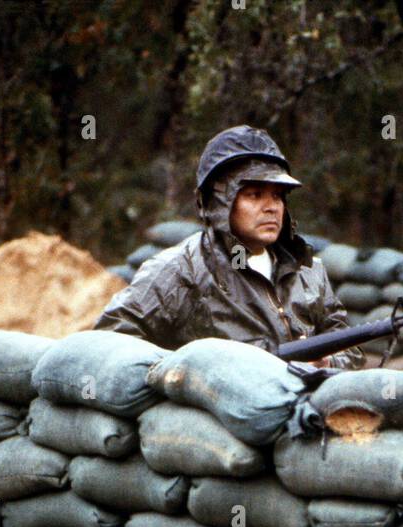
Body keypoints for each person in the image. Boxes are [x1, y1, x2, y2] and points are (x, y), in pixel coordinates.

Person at [95, 124, 361, 368]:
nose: (271, 207)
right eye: (254, 195)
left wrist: (327, 363)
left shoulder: (308, 270)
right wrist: (189, 376)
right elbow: (113, 338)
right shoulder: (183, 270)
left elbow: (350, 347)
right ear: (219, 202)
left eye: (278, 196)